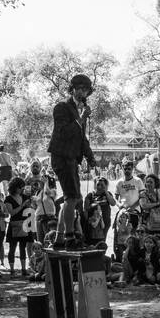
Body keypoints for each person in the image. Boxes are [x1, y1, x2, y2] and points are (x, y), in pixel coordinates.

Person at [46, 74, 99, 249]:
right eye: (81, 88)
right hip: (61, 156)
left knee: (73, 198)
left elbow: (82, 138)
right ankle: (69, 238)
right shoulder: (61, 107)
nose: (84, 92)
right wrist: (81, 118)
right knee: (72, 197)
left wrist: (90, 157)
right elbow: (63, 132)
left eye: (86, 90)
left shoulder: (78, 112)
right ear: (73, 89)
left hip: (72, 159)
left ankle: (60, 238)